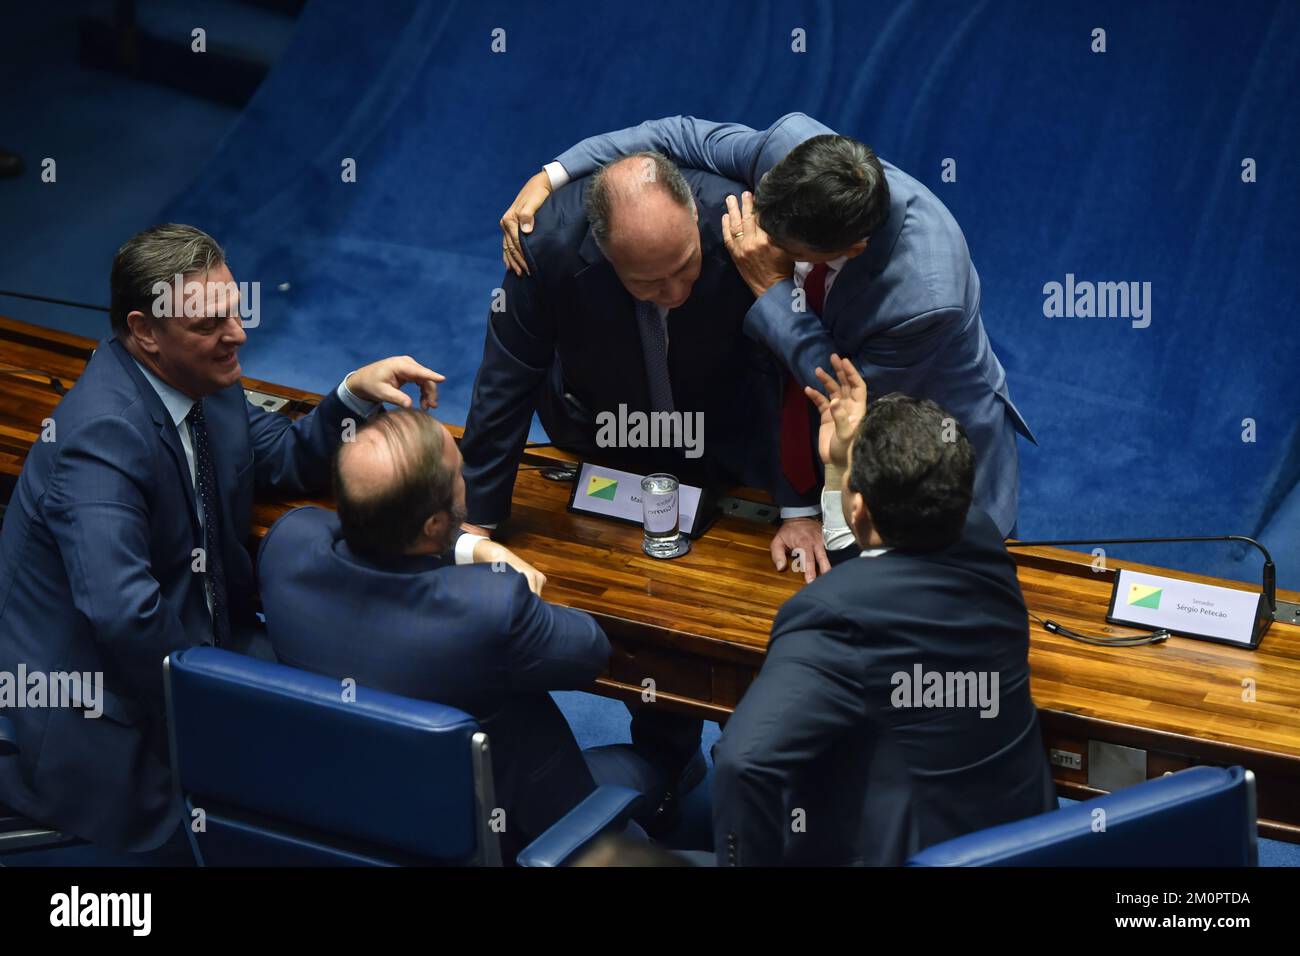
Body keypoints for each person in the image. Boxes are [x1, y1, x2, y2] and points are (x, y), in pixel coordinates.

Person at [0, 223, 444, 859]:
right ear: (146, 331)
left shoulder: (206, 380)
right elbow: (125, 616)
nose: (237, 334)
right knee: (277, 825)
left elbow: (286, 458)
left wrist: (350, 392)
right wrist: (226, 710)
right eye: (210, 324)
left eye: (233, 311)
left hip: (202, 637)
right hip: (107, 715)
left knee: (352, 723)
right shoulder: (100, 438)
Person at [500, 113, 1036, 560]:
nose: (750, 241)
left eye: (780, 244)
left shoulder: (925, 297)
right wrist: (554, 172)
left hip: (923, 440)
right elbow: (672, 136)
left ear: (846, 249)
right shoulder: (790, 146)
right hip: (805, 431)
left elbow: (849, 402)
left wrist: (771, 287)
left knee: (932, 592)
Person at [258, 409, 664, 860]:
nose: (467, 478)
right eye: (459, 473)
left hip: (351, 809)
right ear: (434, 523)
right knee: (649, 774)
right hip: (512, 827)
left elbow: (360, 527)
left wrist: (470, 544)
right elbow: (591, 650)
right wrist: (520, 593)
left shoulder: (287, 547)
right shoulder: (491, 610)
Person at [709, 356, 1055, 865]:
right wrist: (840, 467)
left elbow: (744, 765)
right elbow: (886, 560)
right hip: (1025, 844)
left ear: (859, 509)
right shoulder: (982, 537)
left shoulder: (827, 614)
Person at [465, 150, 830, 582]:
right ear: (603, 249)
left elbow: (781, 371)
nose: (674, 292)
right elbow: (508, 376)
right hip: (597, 425)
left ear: (694, 215)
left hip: (723, 433)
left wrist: (800, 508)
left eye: (685, 266)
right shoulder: (547, 245)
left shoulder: (744, 227)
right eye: (648, 282)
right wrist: (475, 521)